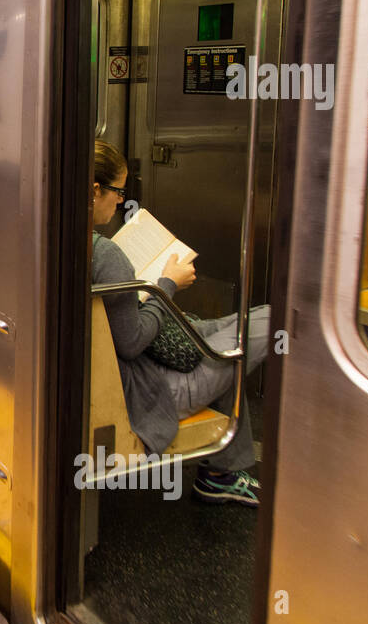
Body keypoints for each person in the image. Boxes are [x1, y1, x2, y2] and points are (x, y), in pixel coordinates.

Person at [90, 139, 271, 506]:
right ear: (95, 191)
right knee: (268, 323)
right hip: (148, 390)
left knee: (228, 327)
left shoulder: (58, 239)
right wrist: (165, 286)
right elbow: (131, 342)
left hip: (134, 371)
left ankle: (221, 474)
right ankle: (220, 476)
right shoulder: (105, 254)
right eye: (118, 192)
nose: (122, 201)